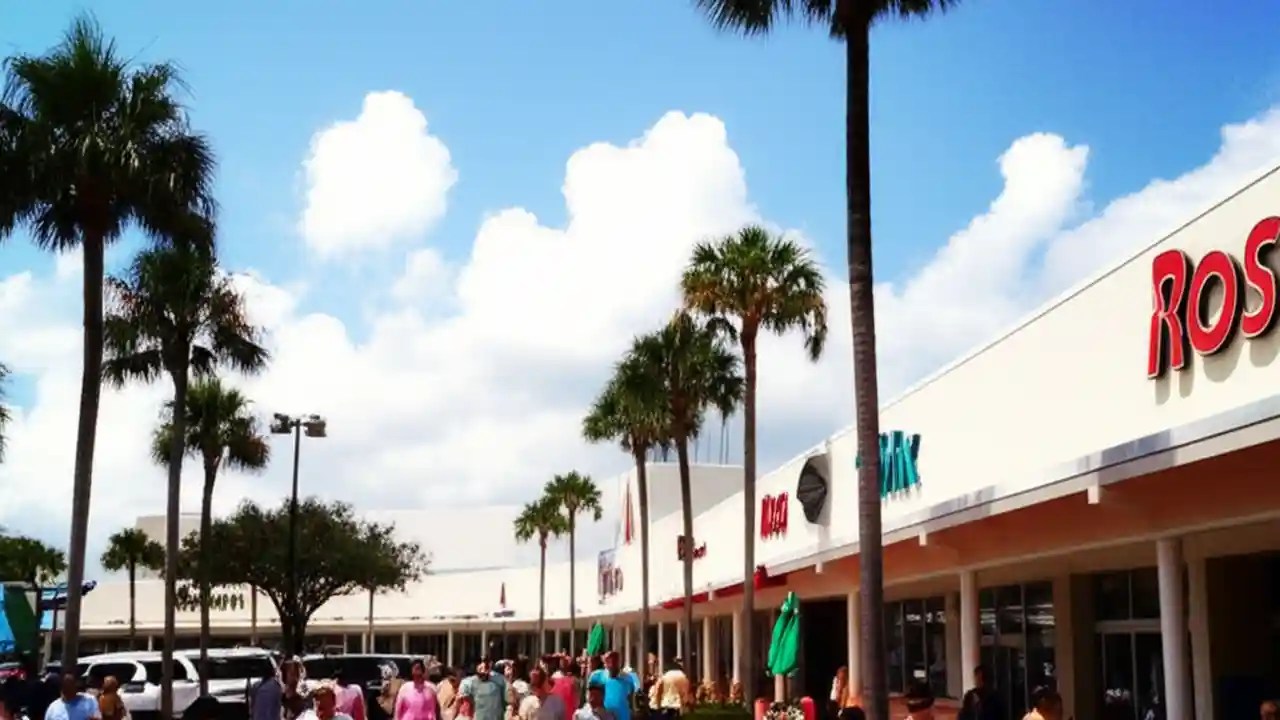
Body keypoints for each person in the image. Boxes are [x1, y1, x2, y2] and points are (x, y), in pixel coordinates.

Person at [586, 653, 635, 720]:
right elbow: (590, 696)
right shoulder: (597, 676)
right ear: (605, 663)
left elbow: (631, 699)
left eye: (615, 662)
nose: (612, 665)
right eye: (609, 662)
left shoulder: (628, 678)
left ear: (619, 662)